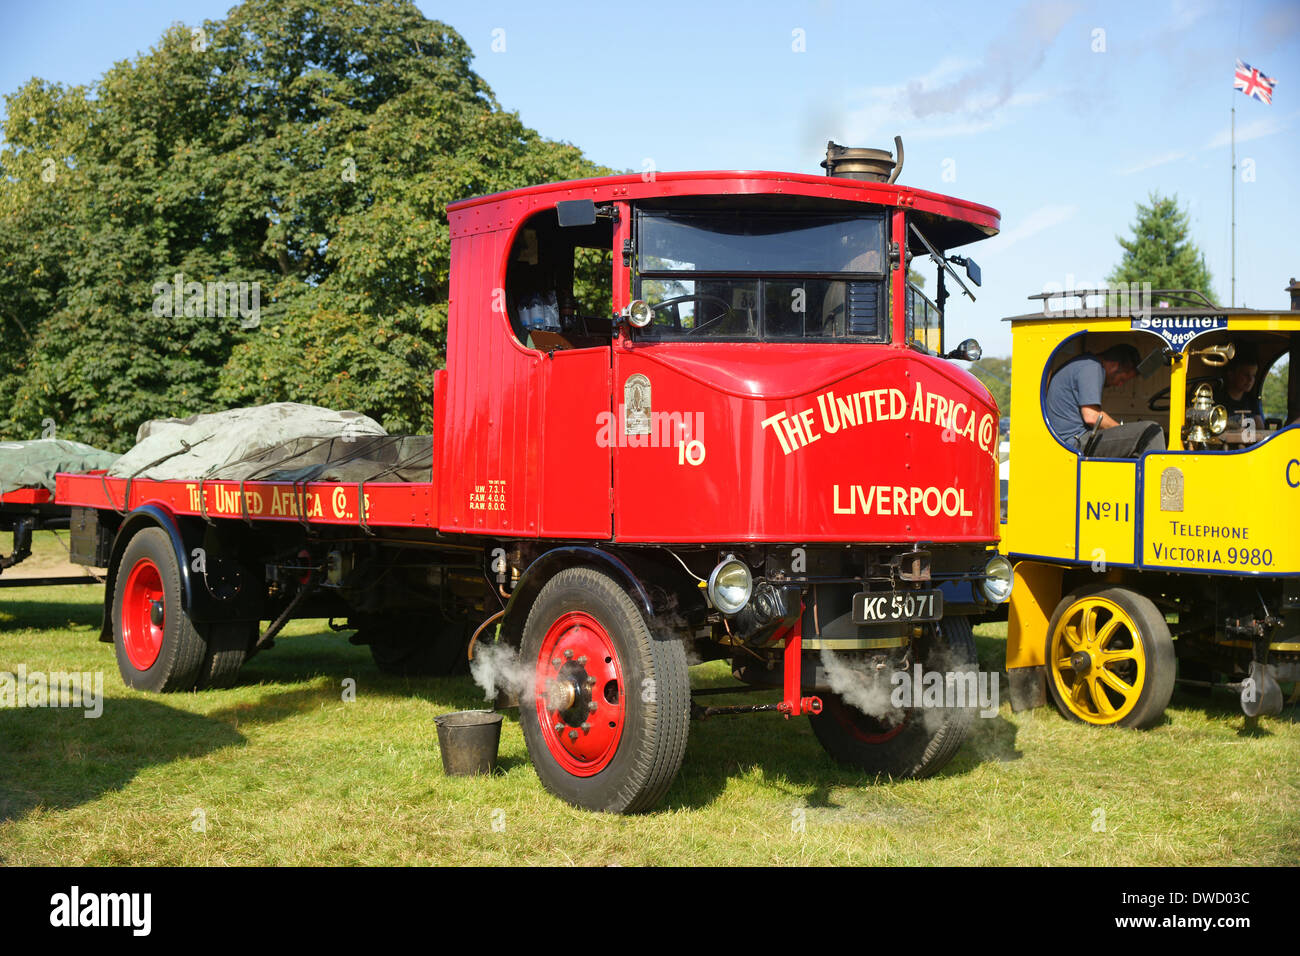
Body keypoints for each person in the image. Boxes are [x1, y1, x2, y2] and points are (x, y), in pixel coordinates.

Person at [1045, 344, 1166, 457]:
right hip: (1074, 443)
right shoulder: (1091, 367)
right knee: (1151, 431)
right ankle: (1156, 478)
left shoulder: (1085, 364)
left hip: (1068, 440)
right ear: (1115, 366)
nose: (1119, 385)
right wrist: (1121, 430)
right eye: (1122, 380)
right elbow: (1092, 416)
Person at [1212, 346, 1266, 436]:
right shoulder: (1216, 399)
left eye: (1253, 375)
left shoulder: (1251, 401)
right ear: (1231, 375)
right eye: (1246, 375)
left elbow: (1260, 429)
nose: (1250, 380)